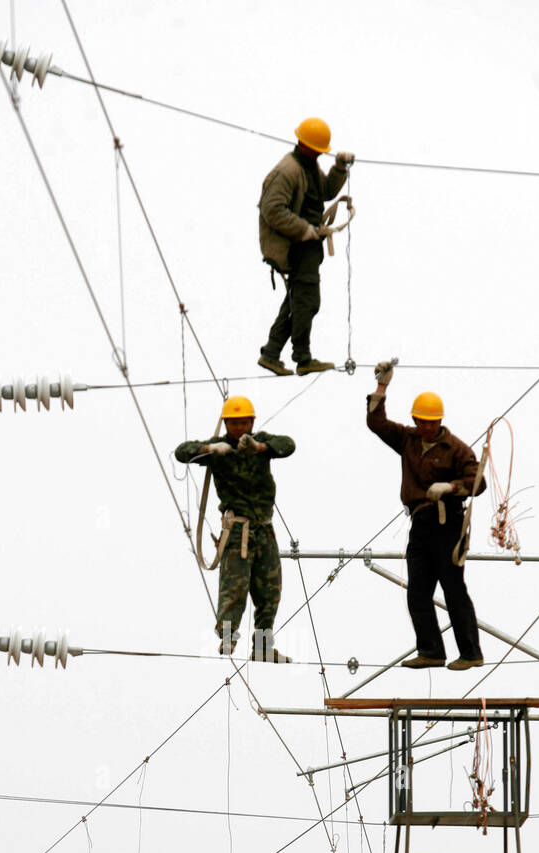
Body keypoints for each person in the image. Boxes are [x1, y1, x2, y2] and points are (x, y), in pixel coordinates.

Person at [366, 365, 486, 670]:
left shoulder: (456, 449)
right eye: (422, 422)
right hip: (421, 523)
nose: (427, 428)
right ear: (416, 420)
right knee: (417, 591)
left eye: (432, 424)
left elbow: (478, 481)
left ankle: (471, 653)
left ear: (439, 422)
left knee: (453, 588)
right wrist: (381, 387)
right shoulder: (409, 439)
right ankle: (431, 650)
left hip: (447, 524)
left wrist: (452, 487)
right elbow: (377, 423)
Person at [174, 396, 295, 661]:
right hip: (238, 529)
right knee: (234, 588)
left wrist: (260, 447)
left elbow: (288, 445)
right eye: (234, 423)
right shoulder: (221, 450)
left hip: (264, 528)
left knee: (269, 592)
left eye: (244, 422)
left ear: (252, 422)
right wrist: (210, 448)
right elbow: (182, 451)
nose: (240, 427)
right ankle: (228, 637)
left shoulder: (259, 443)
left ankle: (263, 646)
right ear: (226, 423)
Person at [258, 118, 354, 377]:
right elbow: (271, 209)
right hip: (296, 246)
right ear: (304, 144)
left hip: (308, 245)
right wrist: (304, 230)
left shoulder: (307, 165)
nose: (319, 154)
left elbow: (324, 191)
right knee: (307, 301)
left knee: (296, 302)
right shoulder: (288, 170)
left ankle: (271, 352)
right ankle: (302, 357)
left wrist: (339, 168)